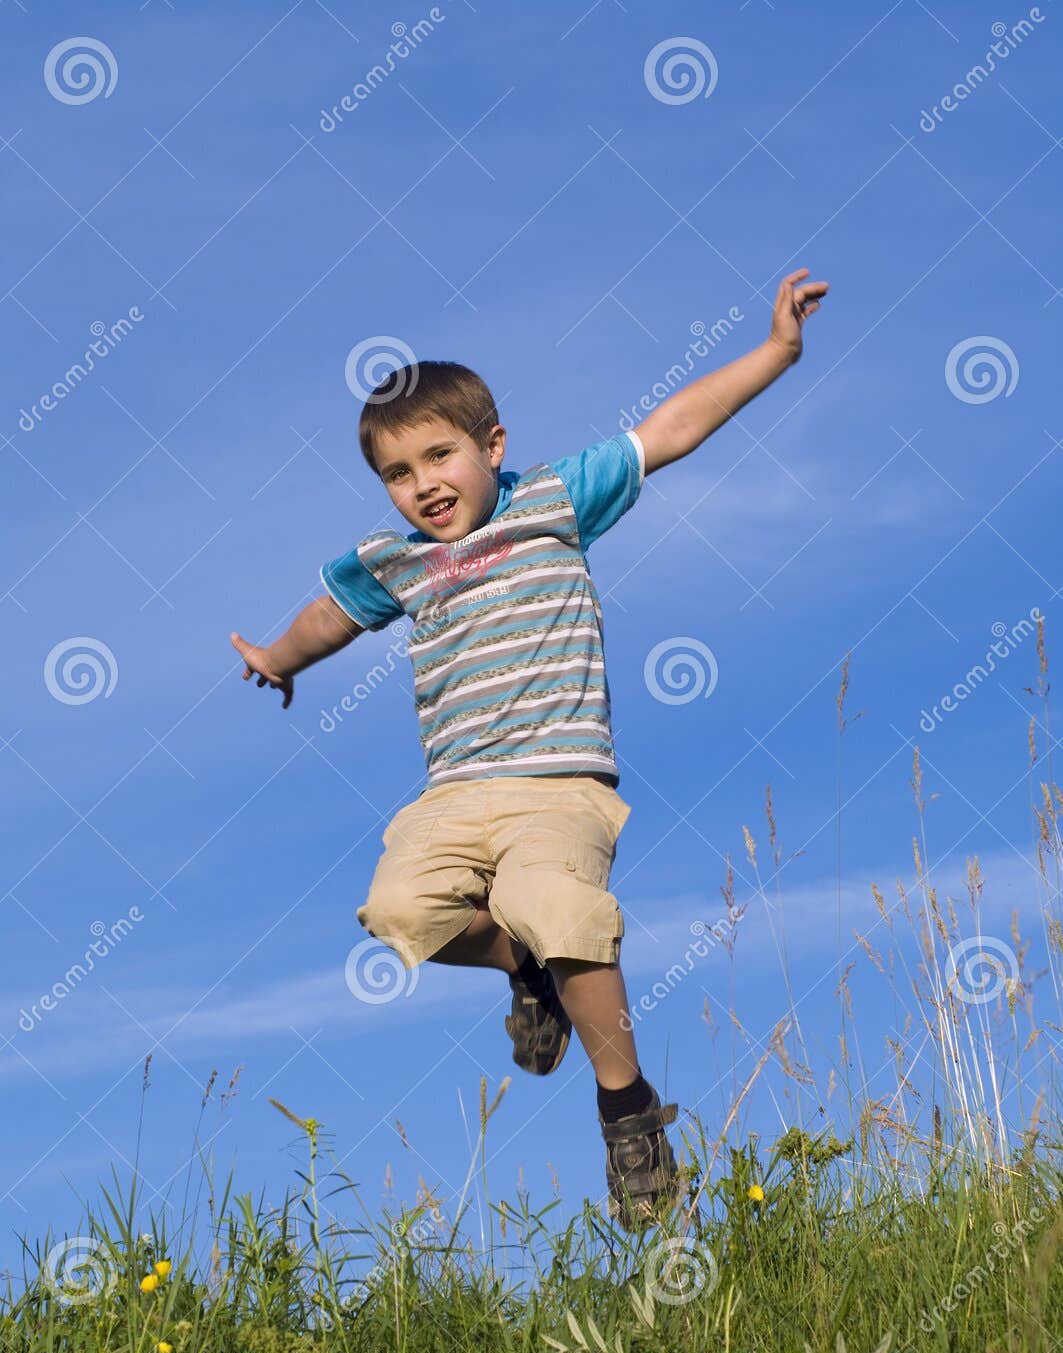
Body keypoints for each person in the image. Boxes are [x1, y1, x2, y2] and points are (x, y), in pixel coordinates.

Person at [230, 267, 828, 1229]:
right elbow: (328, 616)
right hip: (454, 797)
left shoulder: (552, 499)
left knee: (560, 906)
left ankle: (627, 1111)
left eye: (439, 457)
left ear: (491, 446)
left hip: (558, 786)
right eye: (397, 473)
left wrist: (773, 353)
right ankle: (523, 968)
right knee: (396, 913)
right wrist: (276, 655)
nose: (423, 485)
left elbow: (670, 429)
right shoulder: (395, 565)